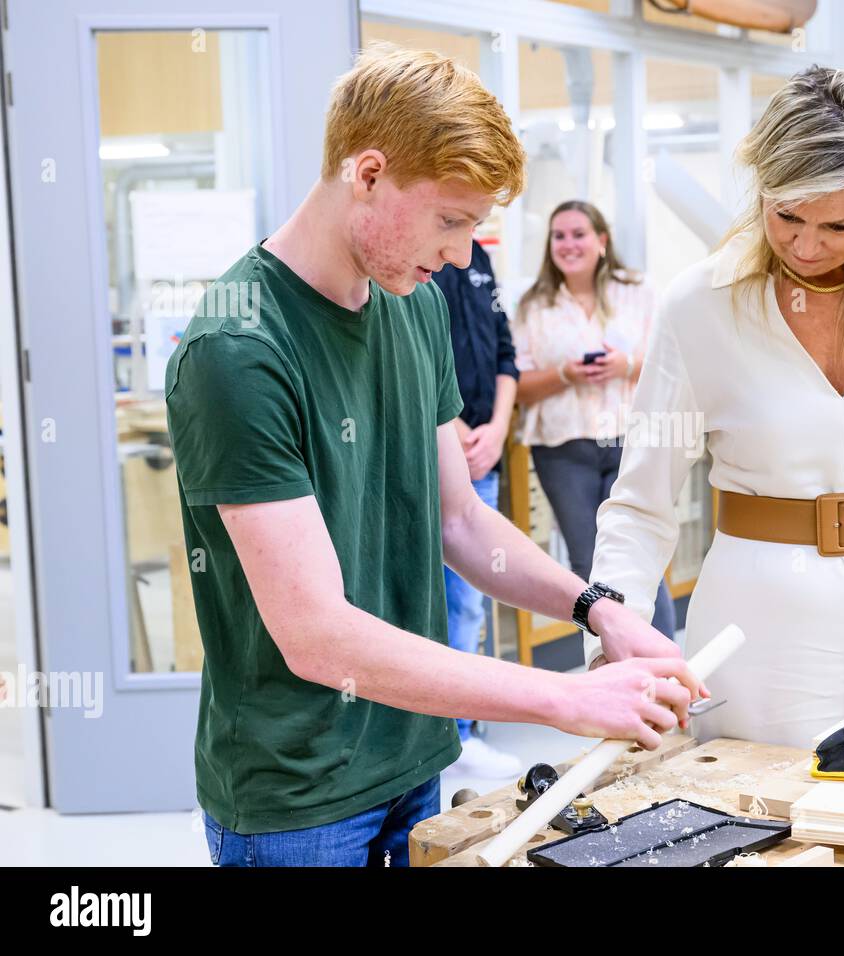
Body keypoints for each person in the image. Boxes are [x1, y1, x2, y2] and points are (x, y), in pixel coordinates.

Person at [164, 45, 701, 868]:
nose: (459, 255)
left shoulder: (411, 307)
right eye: (449, 221)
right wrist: (563, 696)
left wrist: (600, 608)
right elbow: (316, 637)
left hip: (413, 757)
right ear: (368, 174)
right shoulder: (237, 349)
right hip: (298, 797)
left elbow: (461, 520)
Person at [585, 66, 844, 749]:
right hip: (759, 631)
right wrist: (609, 622)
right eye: (786, 215)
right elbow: (642, 498)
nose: (806, 246)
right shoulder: (701, 303)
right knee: (758, 829)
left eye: (838, 224)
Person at [513, 200, 676, 639]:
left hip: (627, 442)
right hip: (561, 449)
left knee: (640, 558)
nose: (568, 244)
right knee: (589, 565)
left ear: (601, 241)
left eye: (578, 234)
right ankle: (619, 672)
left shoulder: (639, 292)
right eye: (559, 236)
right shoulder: (533, 306)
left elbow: (671, 364)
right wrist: (565, 374)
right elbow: (519, 385)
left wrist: (625, 365)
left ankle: (664, 668)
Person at [430, 237, 523, 779]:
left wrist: (498, 430)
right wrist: (459, 430)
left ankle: (462, 733)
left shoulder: (479, 259)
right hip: (434, 448)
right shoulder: (420, 259)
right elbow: (418, 363)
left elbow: (505, 353)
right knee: (427, 598)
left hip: (484, 455)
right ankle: (436, 731)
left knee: (468, 601)